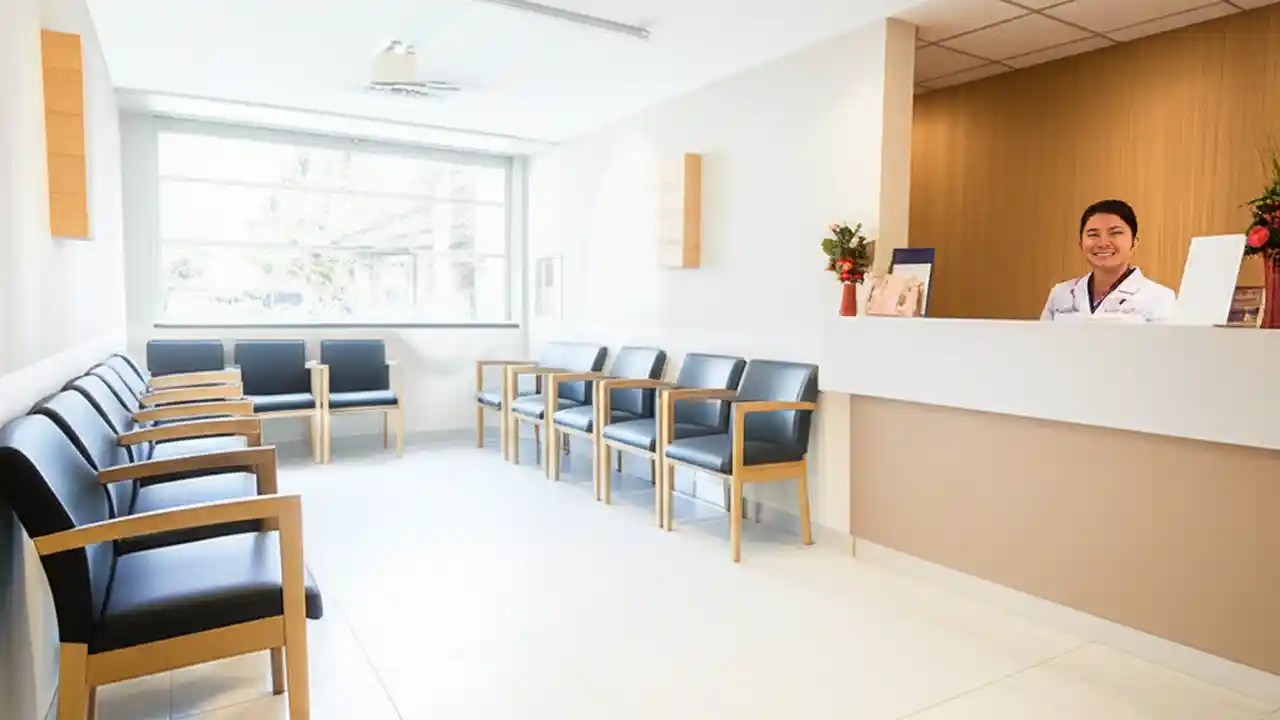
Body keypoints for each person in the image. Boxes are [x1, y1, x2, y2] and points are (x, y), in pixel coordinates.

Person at [1040, 199, 1176, 322]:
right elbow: (1042, 346)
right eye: (1093, 234)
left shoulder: (1160, 298)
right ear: (1081, 244)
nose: (1103, 243)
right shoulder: (1060, 294)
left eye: (1115, 233)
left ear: (1134, 243)